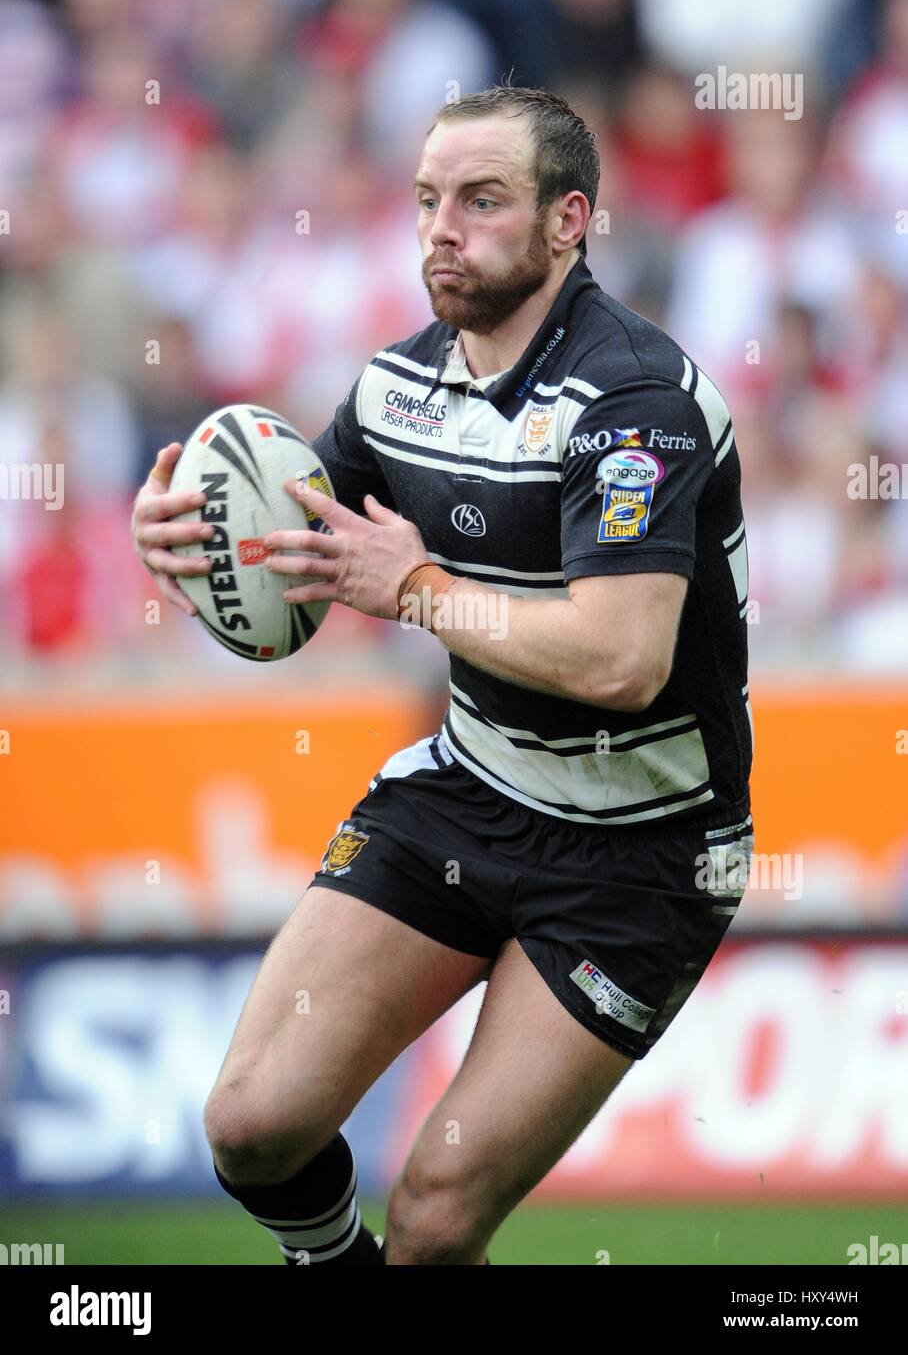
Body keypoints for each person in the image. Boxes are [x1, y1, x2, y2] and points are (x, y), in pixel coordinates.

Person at [131, 85, 754, 1266]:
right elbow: (288, 567)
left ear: (569, 221)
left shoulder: (633, 404)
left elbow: (623, 660)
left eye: (479, 200)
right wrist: (180, 541)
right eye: (426, 200)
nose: (439, 229)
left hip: (641, 850)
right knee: (253, 1124)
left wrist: (416, 591)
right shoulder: (393, 387)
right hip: (467, 790)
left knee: (432, 1216)